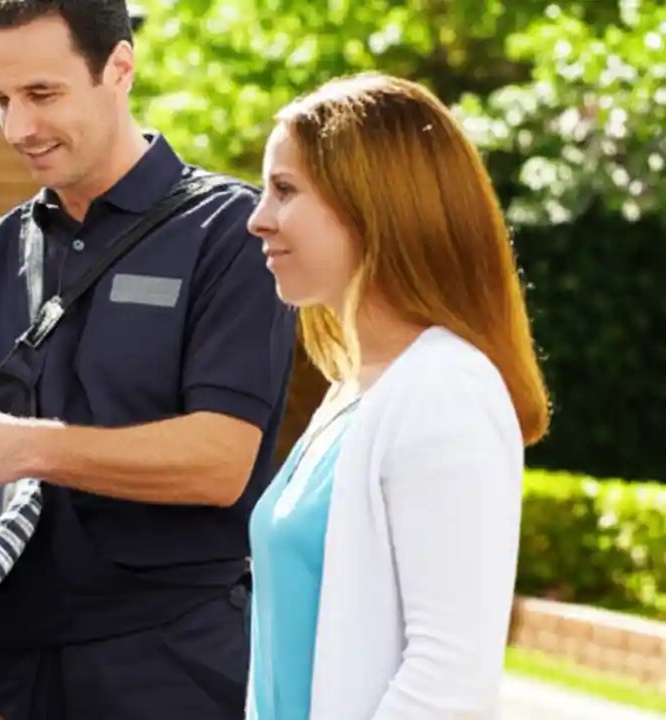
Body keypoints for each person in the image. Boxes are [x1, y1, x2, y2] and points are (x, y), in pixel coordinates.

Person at [0, 0, 296, 717]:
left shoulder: (229, 235)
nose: (17, 128)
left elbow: (220, 464)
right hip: (17, 669)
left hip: (173, 669)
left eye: (42, 94)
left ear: (119, 68)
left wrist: (25, 448)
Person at [242, 72, 552, 720]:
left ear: (371, 205)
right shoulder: (354, 389)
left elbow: (448, 683)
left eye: (285, 190)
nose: (257, 218)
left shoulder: (446, 393)